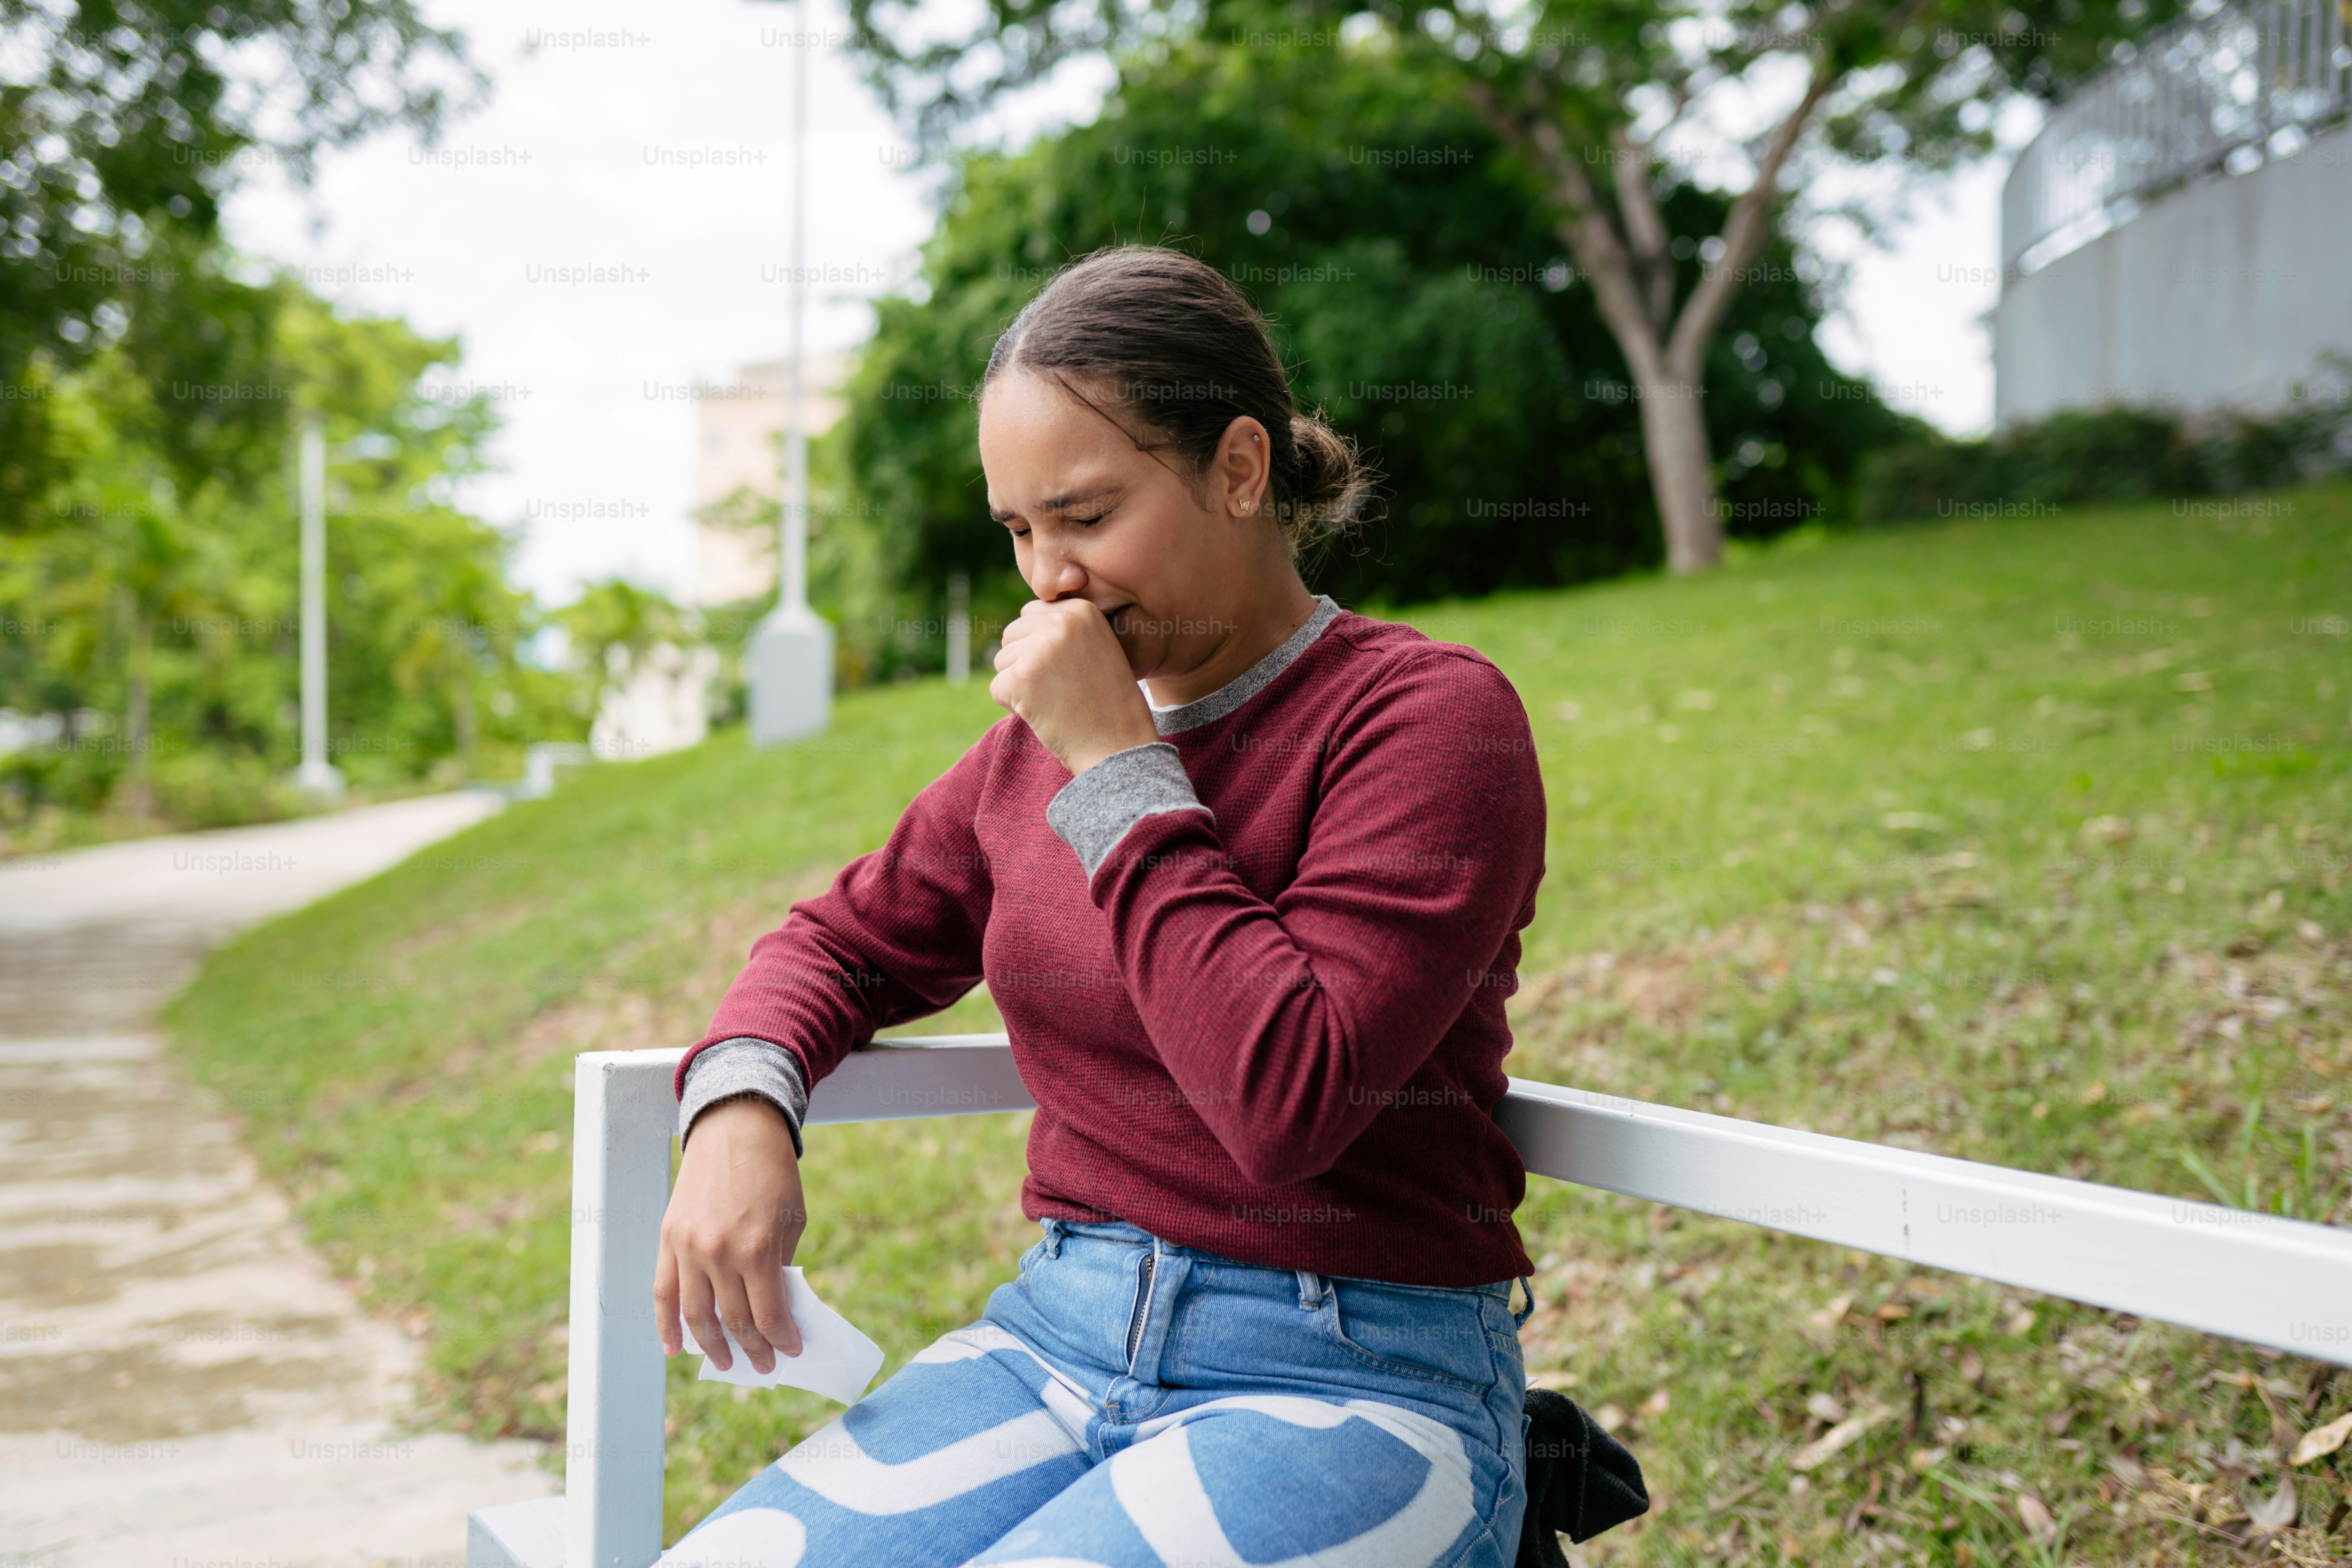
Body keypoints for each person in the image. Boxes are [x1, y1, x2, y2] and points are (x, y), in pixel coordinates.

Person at [652, 244, 1549, 1568]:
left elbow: (1285, 1099)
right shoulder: (1035, 754)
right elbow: (840, 941)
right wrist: (739, 1107)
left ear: (1239, 470)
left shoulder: (1424, 721)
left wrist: (1118, 768)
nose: (1048, 581)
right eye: (1020, 529)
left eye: (1085, 515)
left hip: (1356, 1369)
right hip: (1054, 1333)